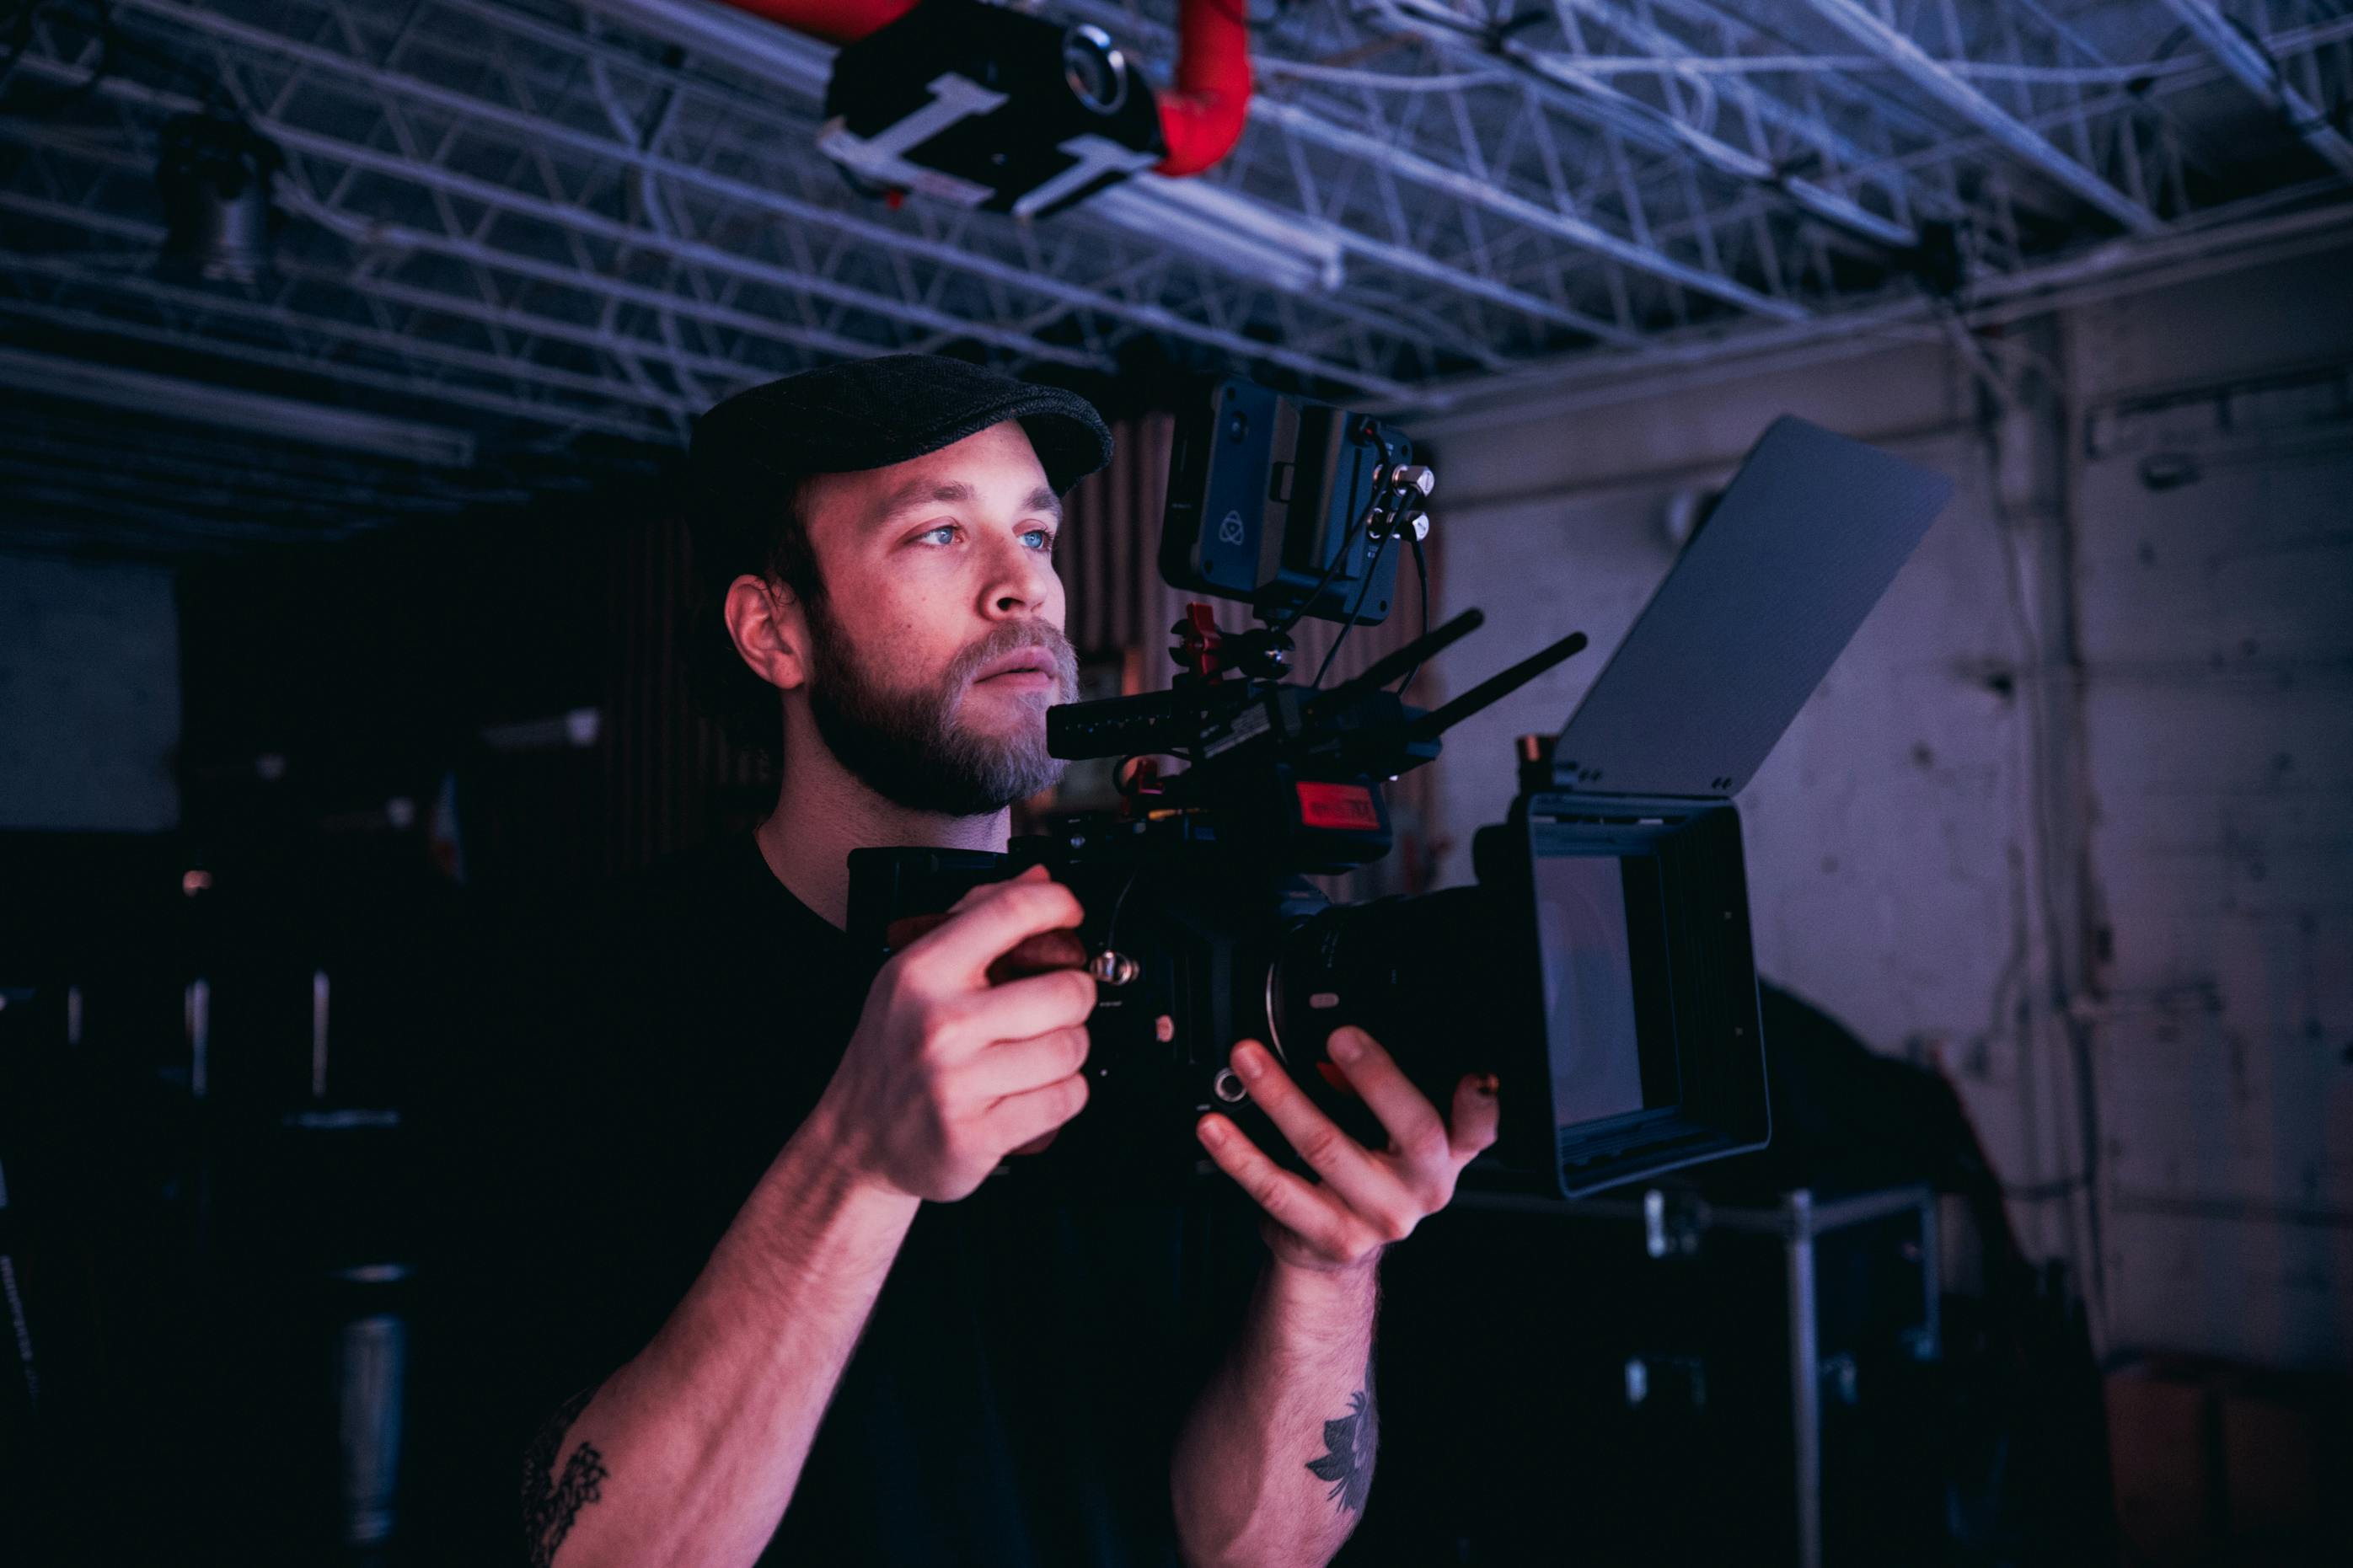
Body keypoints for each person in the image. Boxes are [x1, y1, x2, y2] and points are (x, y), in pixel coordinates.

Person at [468, 356, 1499, 1567]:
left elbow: (1259, 1553)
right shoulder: (573, 993)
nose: (1026, 591)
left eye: (1037, 535)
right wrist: (856, 1158)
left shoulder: (1182, 961)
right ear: (773, 630)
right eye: (940, 533)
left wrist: (1326, 1267)